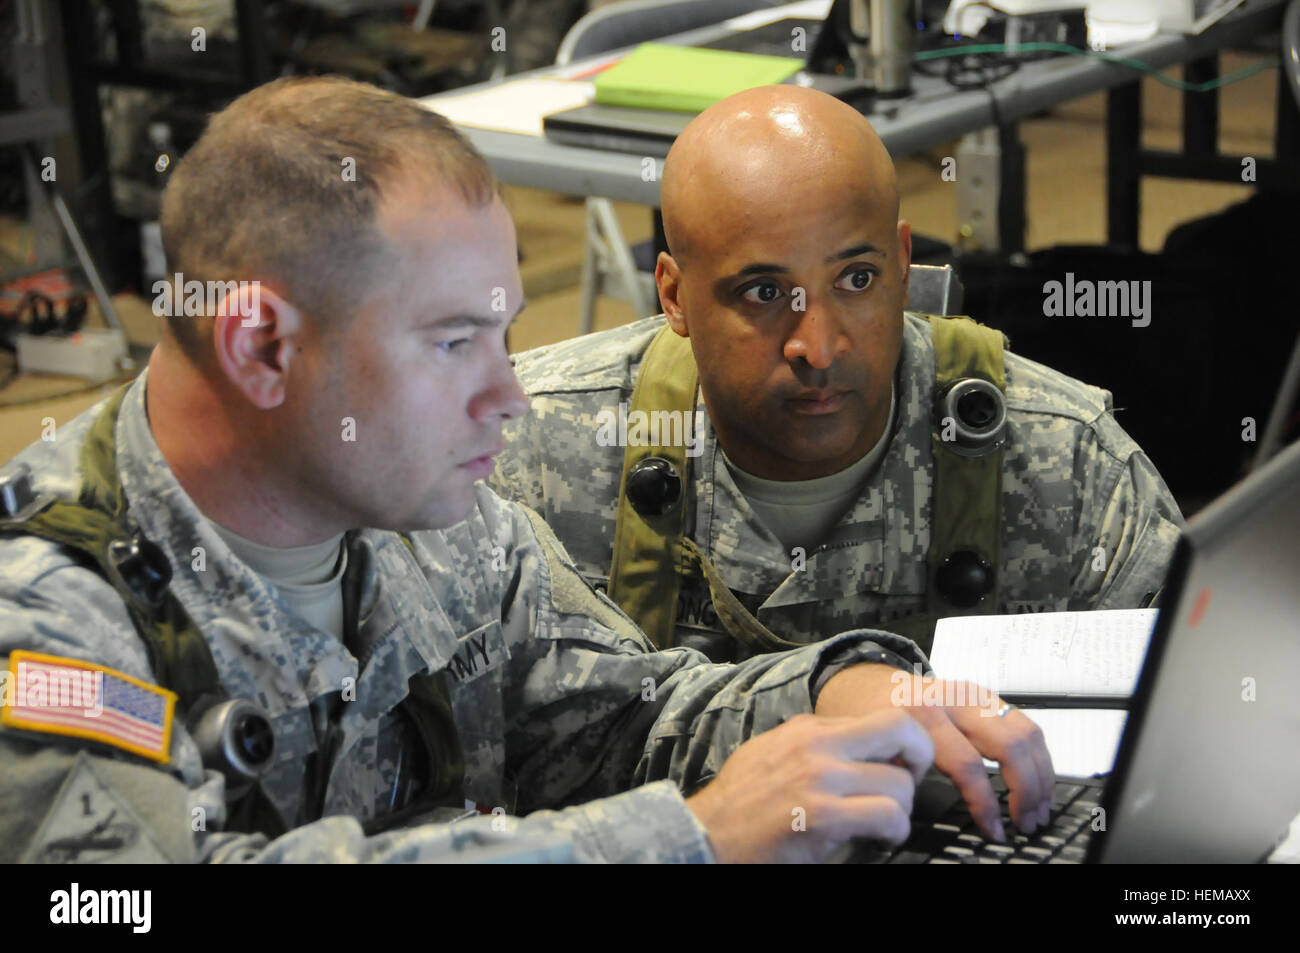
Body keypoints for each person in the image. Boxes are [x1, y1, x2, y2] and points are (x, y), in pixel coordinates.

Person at [0, 76, 1051, 864]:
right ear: (262, 347)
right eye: (454, 342)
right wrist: (675, 841)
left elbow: (622, 720)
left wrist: (837, 694)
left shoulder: (435, 518)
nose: (510, 398)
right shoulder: (47, 621)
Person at [493, 84, 1182, 660]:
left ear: (904, 262)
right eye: (763, 292)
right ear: (673, 294)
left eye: (857, 278)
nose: (818, 347)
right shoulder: (524, 452)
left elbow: (1185, 724)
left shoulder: (1067, 463)